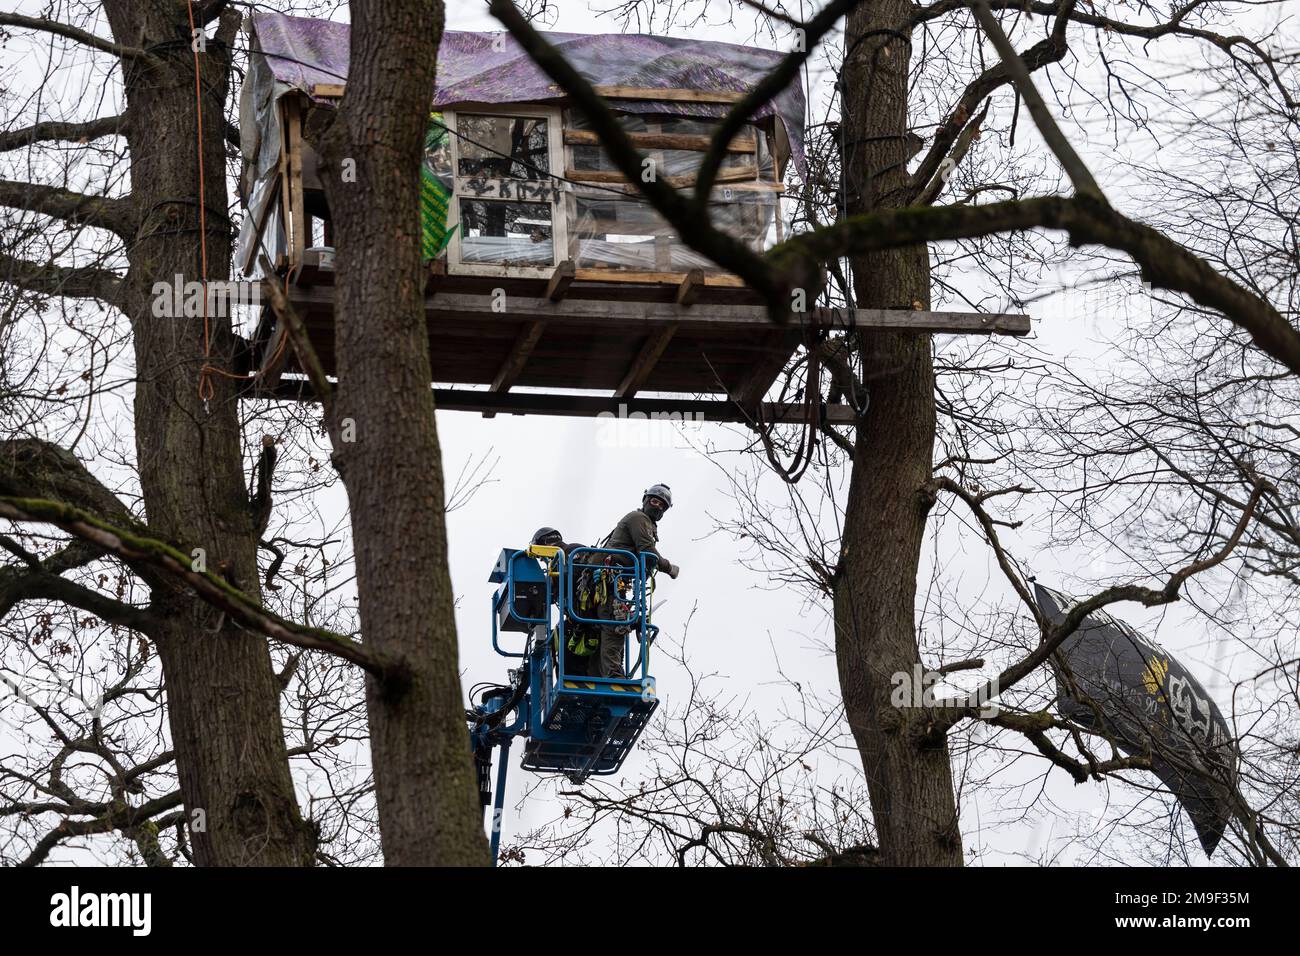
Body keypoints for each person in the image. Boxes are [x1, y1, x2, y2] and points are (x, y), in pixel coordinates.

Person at [593, 484, 679, 679]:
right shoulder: (639, 518)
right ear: (646, 500)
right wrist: (669, 568)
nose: (657, 507)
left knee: (619, 623)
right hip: (609, 580)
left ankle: (612, 673)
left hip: (617, 582)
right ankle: (614, 676)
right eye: (655, 501)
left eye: (662, 506)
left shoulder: (644, 521)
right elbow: (648, 551)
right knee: (614, 625)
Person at [530, 527, 598, 677]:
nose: (543, 560)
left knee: (566, 643)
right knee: (558, 635)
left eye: (542, 556)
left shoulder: (571, 553)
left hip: (585, 617)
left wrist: (554, 585)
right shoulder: (563, 559)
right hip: (582, 617)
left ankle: (572, 680)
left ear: (546, 545)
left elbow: (572, 581)